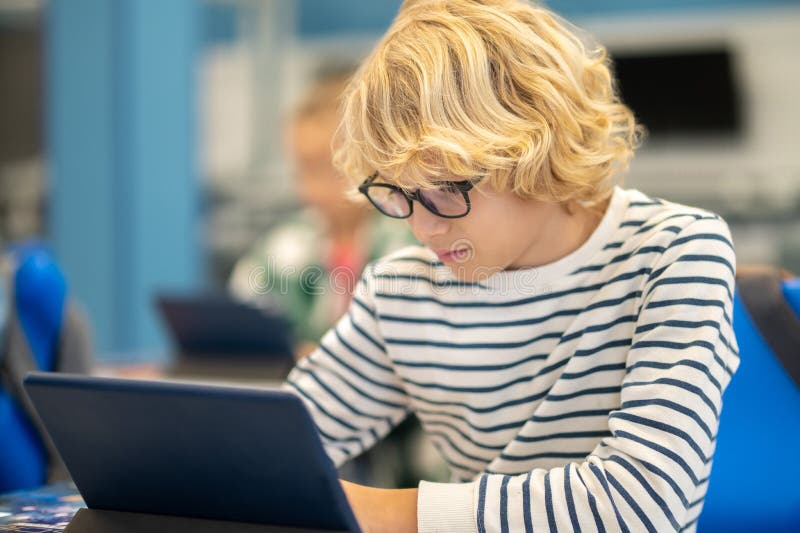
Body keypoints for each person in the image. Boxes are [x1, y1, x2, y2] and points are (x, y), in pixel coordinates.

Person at [284, 1, 739, 532]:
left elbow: (643, 504)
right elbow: (274, 452)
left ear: (533, 149)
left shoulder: (675, 252)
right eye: (398, 193)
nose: (423, 228)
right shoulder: (402, 289)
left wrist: (379, 511)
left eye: (443, 191)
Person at [229, 71, 414, 351]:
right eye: (301, 170)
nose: (308, 191)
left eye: (325, 169)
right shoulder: (283, 249)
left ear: (373, 160)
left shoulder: (413, 239)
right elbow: (237, 328)